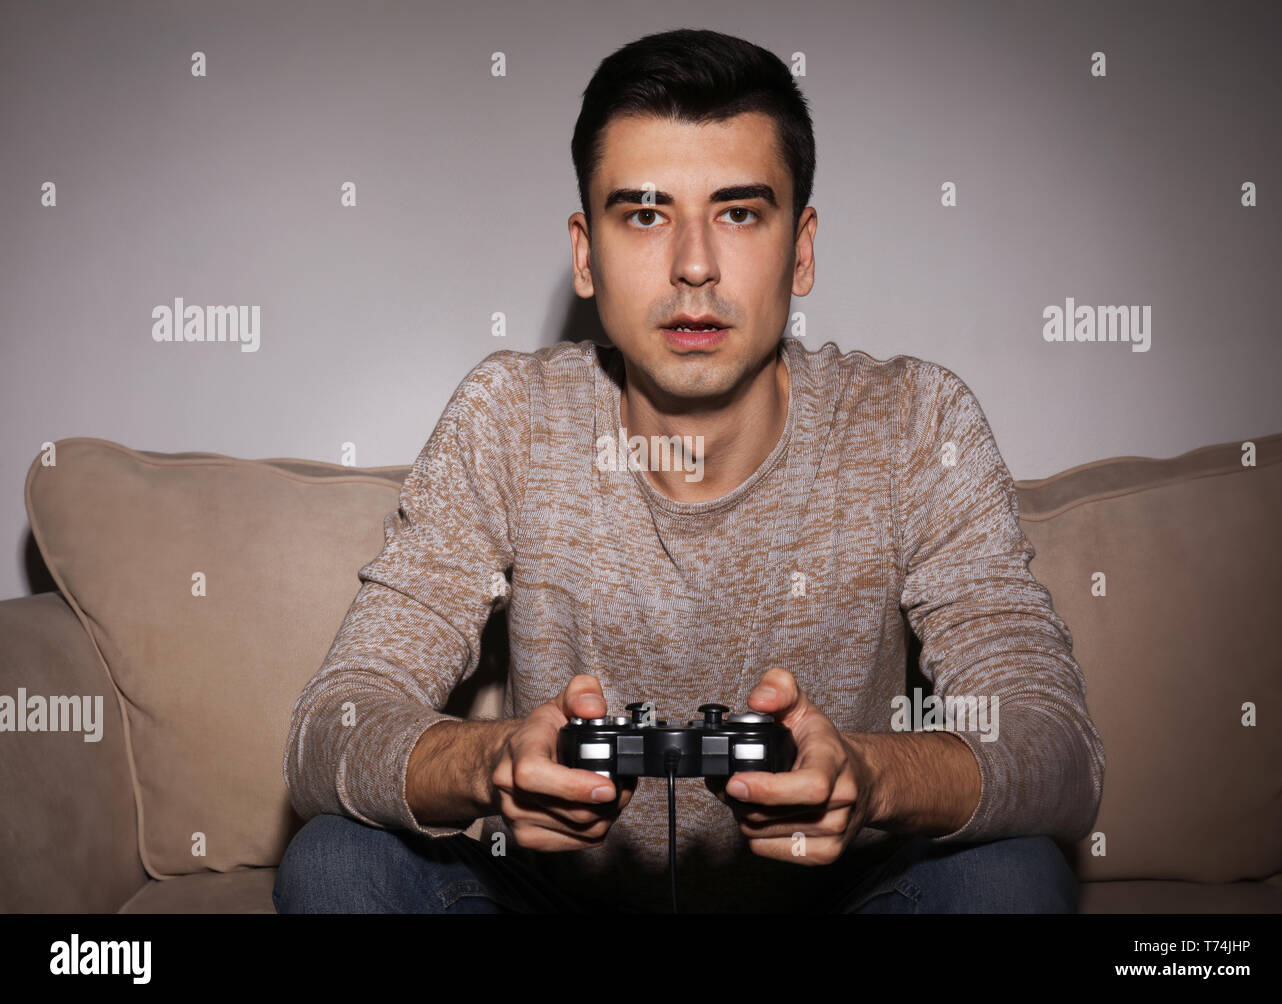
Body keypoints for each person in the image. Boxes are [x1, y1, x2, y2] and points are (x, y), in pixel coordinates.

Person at [275, 27, 1104, 914]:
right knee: (335, 864)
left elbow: (1054, 748)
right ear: (586, 254)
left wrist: (871, 774)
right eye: (645, 213)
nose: (694, 266)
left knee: (1012, 878)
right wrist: (491, 763)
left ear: (803, 247)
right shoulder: (509, 417)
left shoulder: (912, 424)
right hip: (560, 904)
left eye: (739, 212)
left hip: (835, 902)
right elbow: (338, 723)